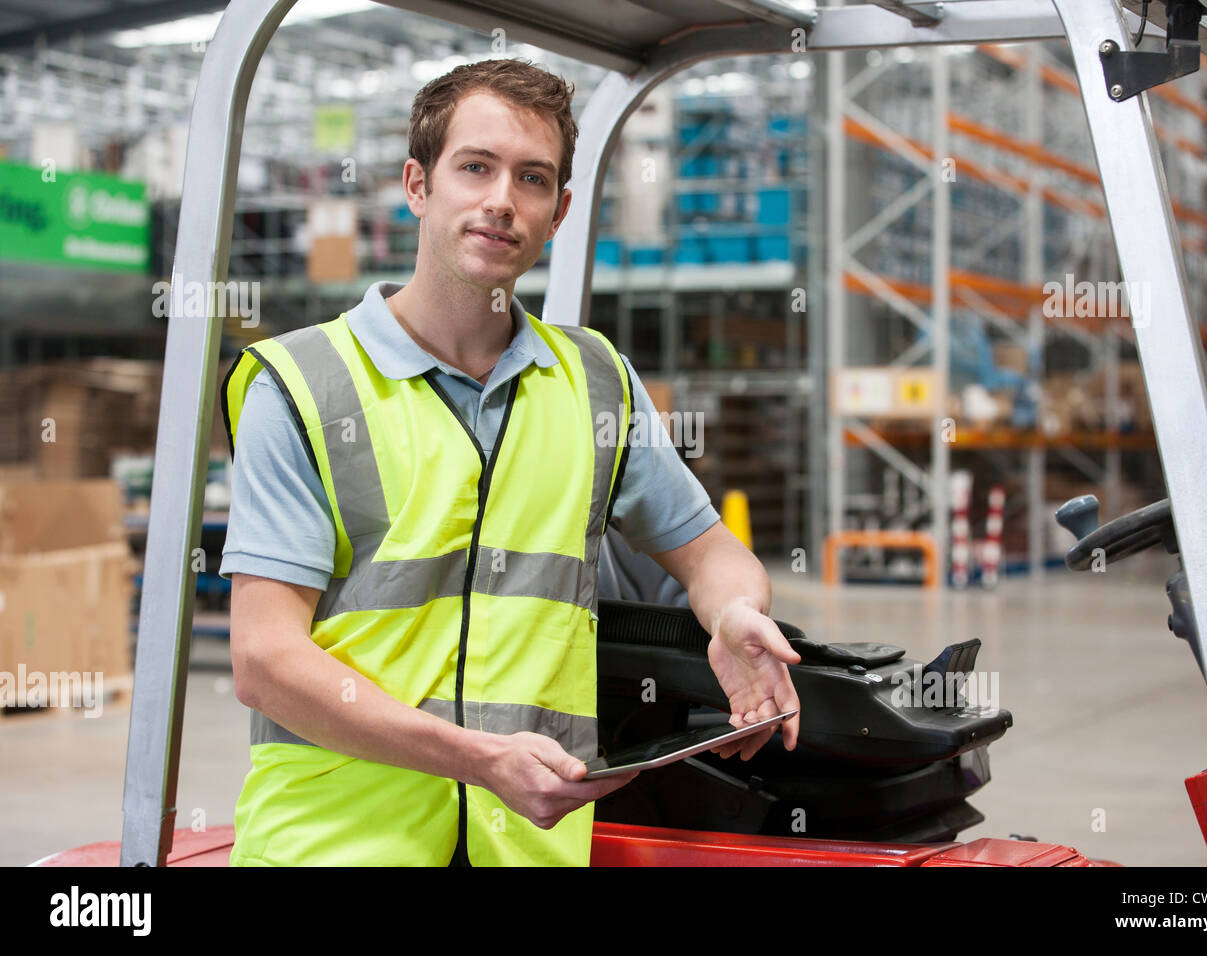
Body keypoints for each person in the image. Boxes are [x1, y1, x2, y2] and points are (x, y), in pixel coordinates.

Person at [219, 57, 800, 867]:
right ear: (418, 185)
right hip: (337, 846)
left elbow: (710, 553)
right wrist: (478, 759)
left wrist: (734, 612)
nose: (501, 200)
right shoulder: (303, 386)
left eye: (532, 179)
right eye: (475, 167)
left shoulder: (597, 383)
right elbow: (264, 661)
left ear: (558, 212)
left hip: (528, 847)